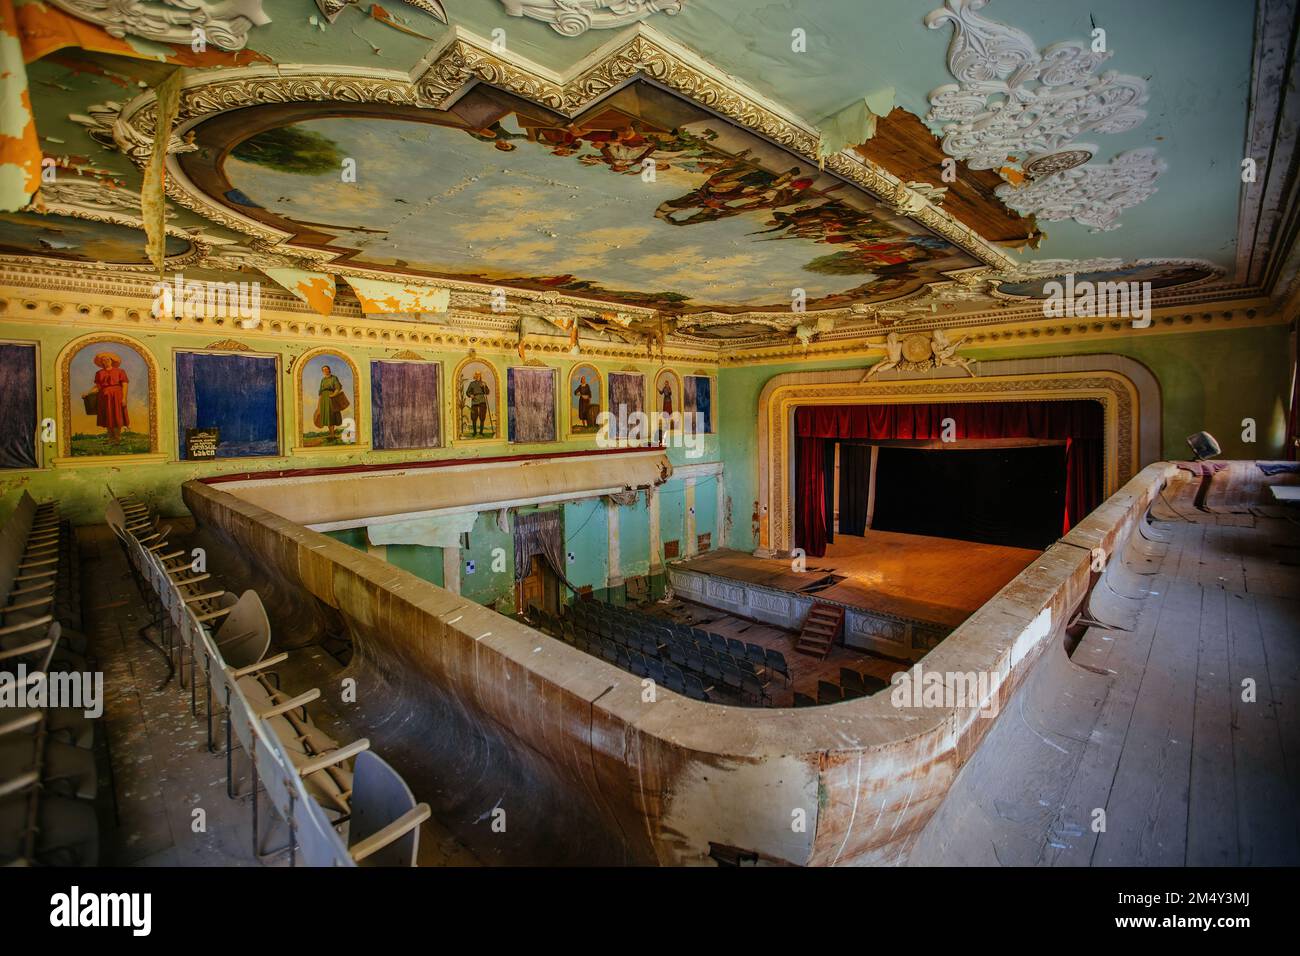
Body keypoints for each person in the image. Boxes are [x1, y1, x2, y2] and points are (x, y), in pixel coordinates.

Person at [91, 352, 129, 445]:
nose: (106, 361)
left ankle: (116, 439)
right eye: (104, 360)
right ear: (102, 362)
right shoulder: (99, 373)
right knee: (108, 417)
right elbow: (98, 386)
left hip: (116, 396)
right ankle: (110, 439)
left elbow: (125, 384)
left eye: (108, 359)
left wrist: (124, 398)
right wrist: (87, 393)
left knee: (117, 416)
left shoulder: (120, 371)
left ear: (112, 361)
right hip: (104, 397)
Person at [316, 364, 343, 441]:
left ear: (329, 370)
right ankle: (331, 434)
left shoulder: (334, 378)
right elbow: (320, 392)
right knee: (327, 416)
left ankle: (332, 435)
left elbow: (338, 388)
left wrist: (333, 395)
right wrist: (319, 402)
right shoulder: (323, 380)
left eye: (326, 369)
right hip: (324, 399)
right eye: (323, 370)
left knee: (331, 416)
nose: (325, 371)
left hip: (331, 398)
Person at [466, 370, 490, 437]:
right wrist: (470, 395)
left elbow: (487, 392)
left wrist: (484, 386)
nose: (478, 376)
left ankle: (481, 432)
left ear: (480, 376)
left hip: (482, 400)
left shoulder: (483, 383)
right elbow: (467, 392)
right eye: (476, 375)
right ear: (475, 376)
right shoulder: (472, 383)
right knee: (474, 417)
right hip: (475, 401)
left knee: (482, 416)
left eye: (479, 375)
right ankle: (474, 432)